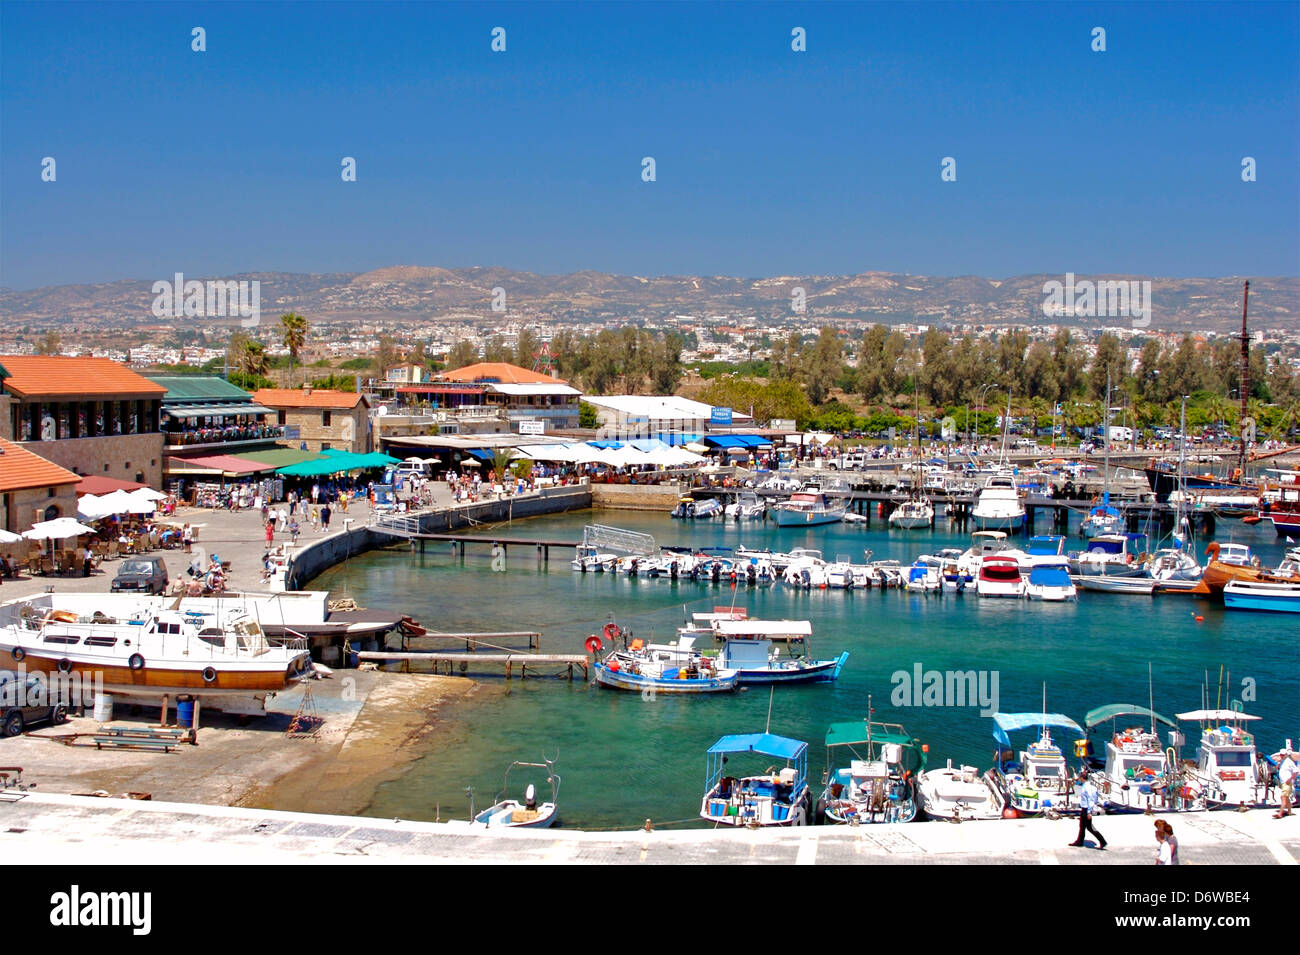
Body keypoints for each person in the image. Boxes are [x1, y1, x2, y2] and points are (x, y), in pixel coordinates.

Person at [1070, 769, 1107, 850]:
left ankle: (1103, 841)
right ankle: (1079, 841)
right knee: (1082, 826)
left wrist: (1089, 812)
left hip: (1086, 809)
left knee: (1089, 827)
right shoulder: (1090, 786)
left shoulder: (1087, 787)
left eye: (1079, 778)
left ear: (1082, 778)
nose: (1078, 779)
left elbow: (1090, 799)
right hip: (1084, 808)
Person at [1276, 749, 1296, 818]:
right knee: (1286, 798)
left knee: (1283, 797)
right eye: (1281, 754)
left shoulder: (1289, 762)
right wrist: (1278, 765)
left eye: (1283, 755)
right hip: (1283, 782)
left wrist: (1290, 779)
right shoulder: (1282, 761)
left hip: (1287, 783)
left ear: (1286, 755)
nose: (1281, 756)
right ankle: (1289, 812)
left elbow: (1296, 771)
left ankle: (1280, 814)